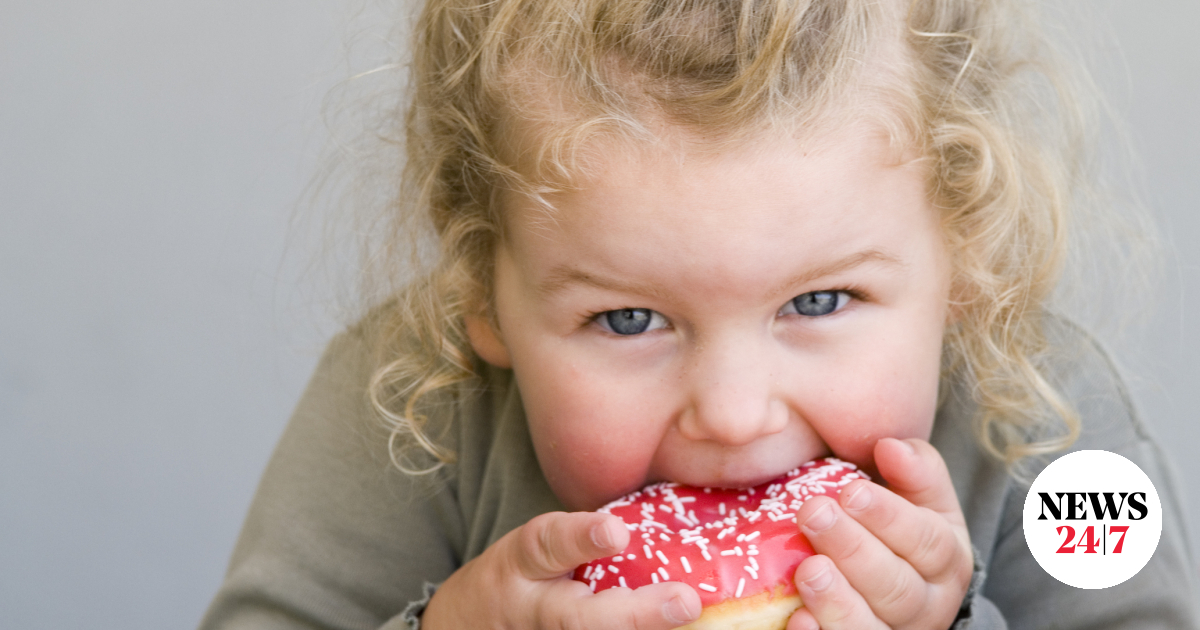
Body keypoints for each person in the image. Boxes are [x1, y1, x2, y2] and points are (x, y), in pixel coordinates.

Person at [199, 0, 1199, 628]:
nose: (731, 413)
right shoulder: (413, 399)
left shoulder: (1049, 430)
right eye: (629, 321)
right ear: (480, 292)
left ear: (967, 259)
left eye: (818, 301)